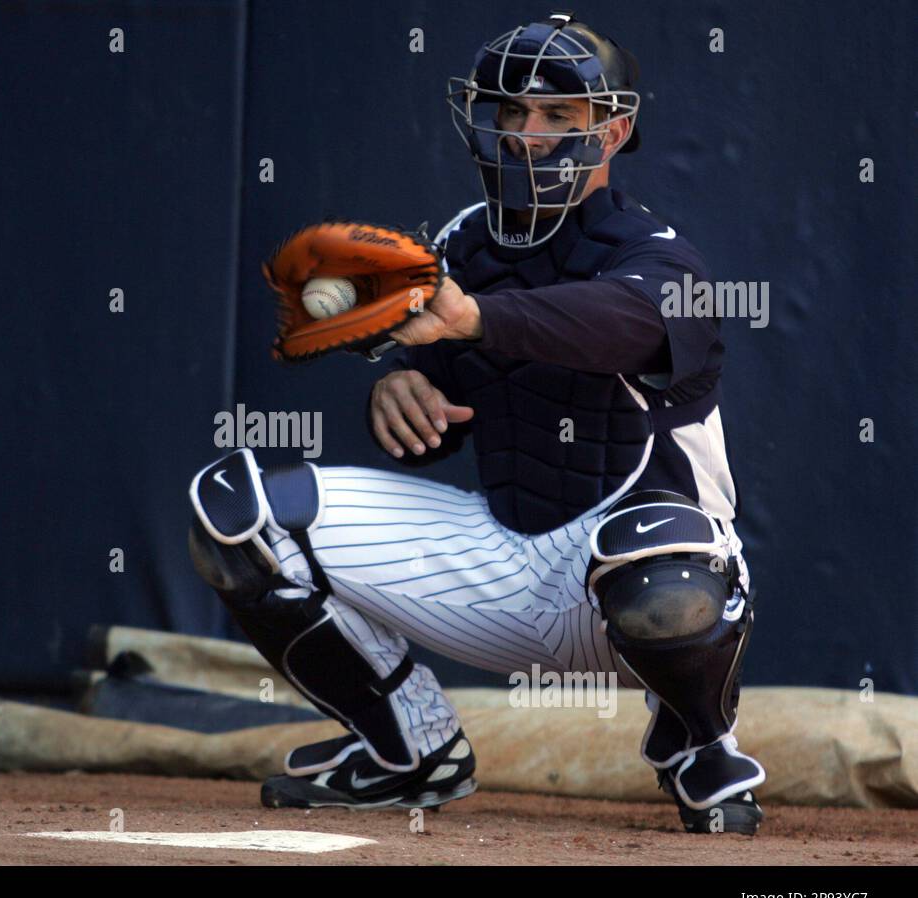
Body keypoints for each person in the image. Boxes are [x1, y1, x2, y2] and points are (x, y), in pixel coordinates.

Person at [187, 11, 765, 834]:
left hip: (630, 578)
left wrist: (470, 321)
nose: (527, 135)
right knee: (236, 515)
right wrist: (400, 384)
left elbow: (622, 323)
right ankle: (407, 750)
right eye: (510, 113)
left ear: (615, 130)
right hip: (499, 557)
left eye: (559, 117)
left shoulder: (663, 256)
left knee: (659, 577)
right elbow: (448, 391)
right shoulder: (463, 245)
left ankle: (699, 740)